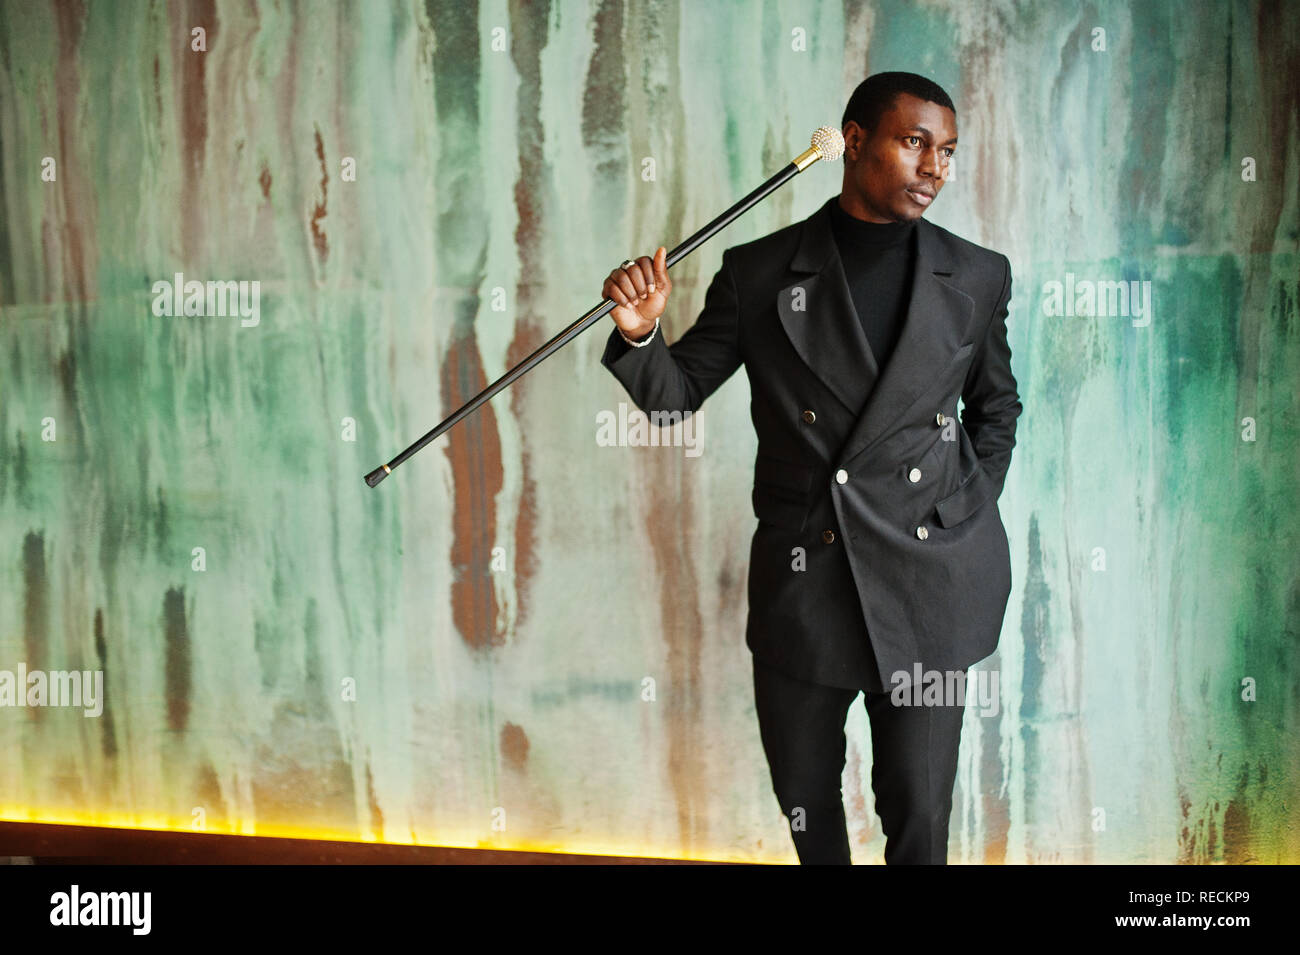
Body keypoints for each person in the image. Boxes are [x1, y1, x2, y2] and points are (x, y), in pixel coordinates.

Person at [599, 72, 1021, 864]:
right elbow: (672, 401)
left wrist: (959, 513)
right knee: (807, 811)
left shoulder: (976, 274)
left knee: (921, 817)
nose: (936, 167)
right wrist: (640, 334)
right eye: (915, 142)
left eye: (949, 151)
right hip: (806, 585)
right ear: (853, 142)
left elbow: (996, 408)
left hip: (930, 587)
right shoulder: (759, 272)